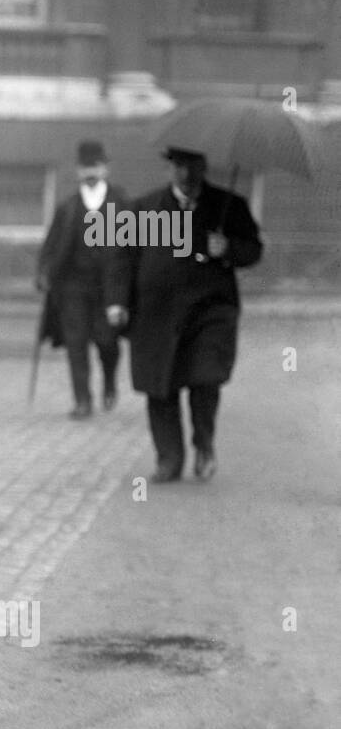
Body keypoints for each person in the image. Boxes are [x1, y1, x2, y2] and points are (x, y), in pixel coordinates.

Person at [118, 146, 262, 482]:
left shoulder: (229, 206)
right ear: (171, 168)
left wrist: (227, 249)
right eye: (179, 166)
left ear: (204, 166)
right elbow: (123, 259)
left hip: (210, 311)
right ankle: (169, 458)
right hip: (157, 313)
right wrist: (117, 302)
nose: (186, 174)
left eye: (193, 166)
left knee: (205, 378)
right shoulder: (144, 208)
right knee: (160, 385)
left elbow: (253, 249)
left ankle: (204, 444)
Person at [36, 140, 130, 418]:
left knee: (106, 342)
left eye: (96, 166)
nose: (90, 172)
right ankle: (83, 401)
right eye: (85, 167)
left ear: (105, 169)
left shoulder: (121, 202)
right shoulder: (68, 207)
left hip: (108, 289)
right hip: (73, 287)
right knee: (75, 344)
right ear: (78, 170)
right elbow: (51, 245)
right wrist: (44, 273)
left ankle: (109, 382)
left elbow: (133, 248)